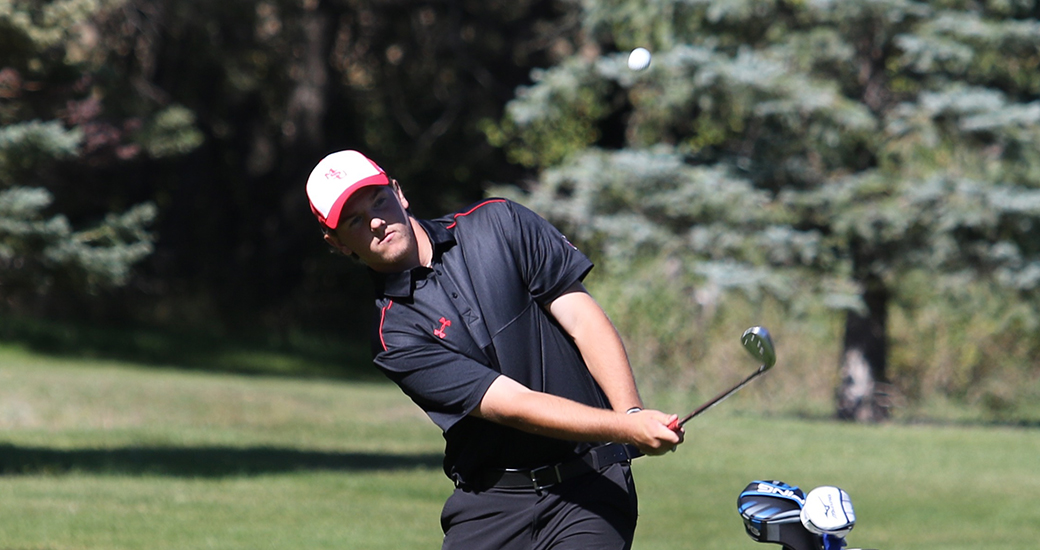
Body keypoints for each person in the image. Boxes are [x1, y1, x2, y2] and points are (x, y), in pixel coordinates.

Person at [305, 150, 684, 550]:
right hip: (491, 506)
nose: (376, 221)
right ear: (338, 243)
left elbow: (583, 319)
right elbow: (511, 404)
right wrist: (626, 429)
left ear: (398, 192)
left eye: (378, 200)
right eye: (354, 221)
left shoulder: (500, 223)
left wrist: (632, 413)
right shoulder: (394, 335)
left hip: (590, 486)